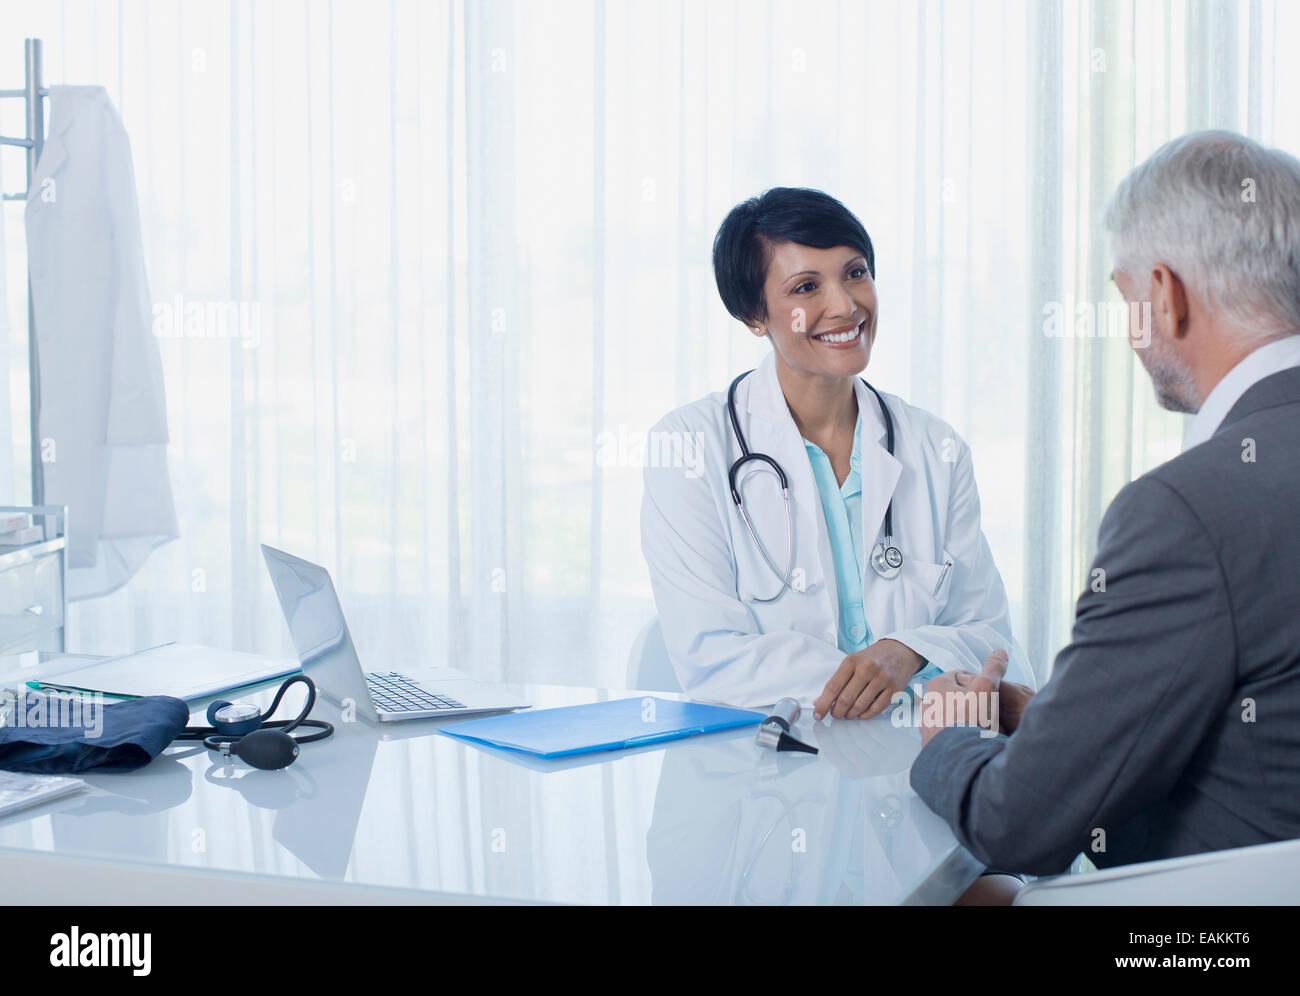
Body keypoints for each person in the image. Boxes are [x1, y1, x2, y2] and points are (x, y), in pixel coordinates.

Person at [913, 131, 1300, 880]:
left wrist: (944, 742)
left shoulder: (1187, 511)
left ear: (1166, 293)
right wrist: (1049, 721)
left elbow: (1015, 824)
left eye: (1125, 296)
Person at [640, 187, 1033, 717]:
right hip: (765, 776)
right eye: (806, 286)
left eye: (855, 272)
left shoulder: (936, 450)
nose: (846, 305)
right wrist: (896, 679)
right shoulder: (690, 448)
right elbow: (711, 658)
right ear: (753, 316)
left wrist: (908, 652)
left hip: (915, 766)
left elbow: (989, 637)